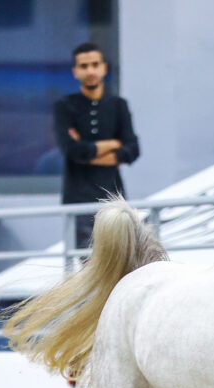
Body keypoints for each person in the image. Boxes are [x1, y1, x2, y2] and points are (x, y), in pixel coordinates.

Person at [54, 43, 140, 247]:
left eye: (95, 64)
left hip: (113, 197)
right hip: (78, 199)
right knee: (87, 264)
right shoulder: (65, 106)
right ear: (75, 71)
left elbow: (133, 149)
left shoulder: (118, 105)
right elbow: (71, 150)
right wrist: (113, 144)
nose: (90, 71)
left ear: (104, 68)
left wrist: (88, 151)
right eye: (84, 66)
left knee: (120, 259)